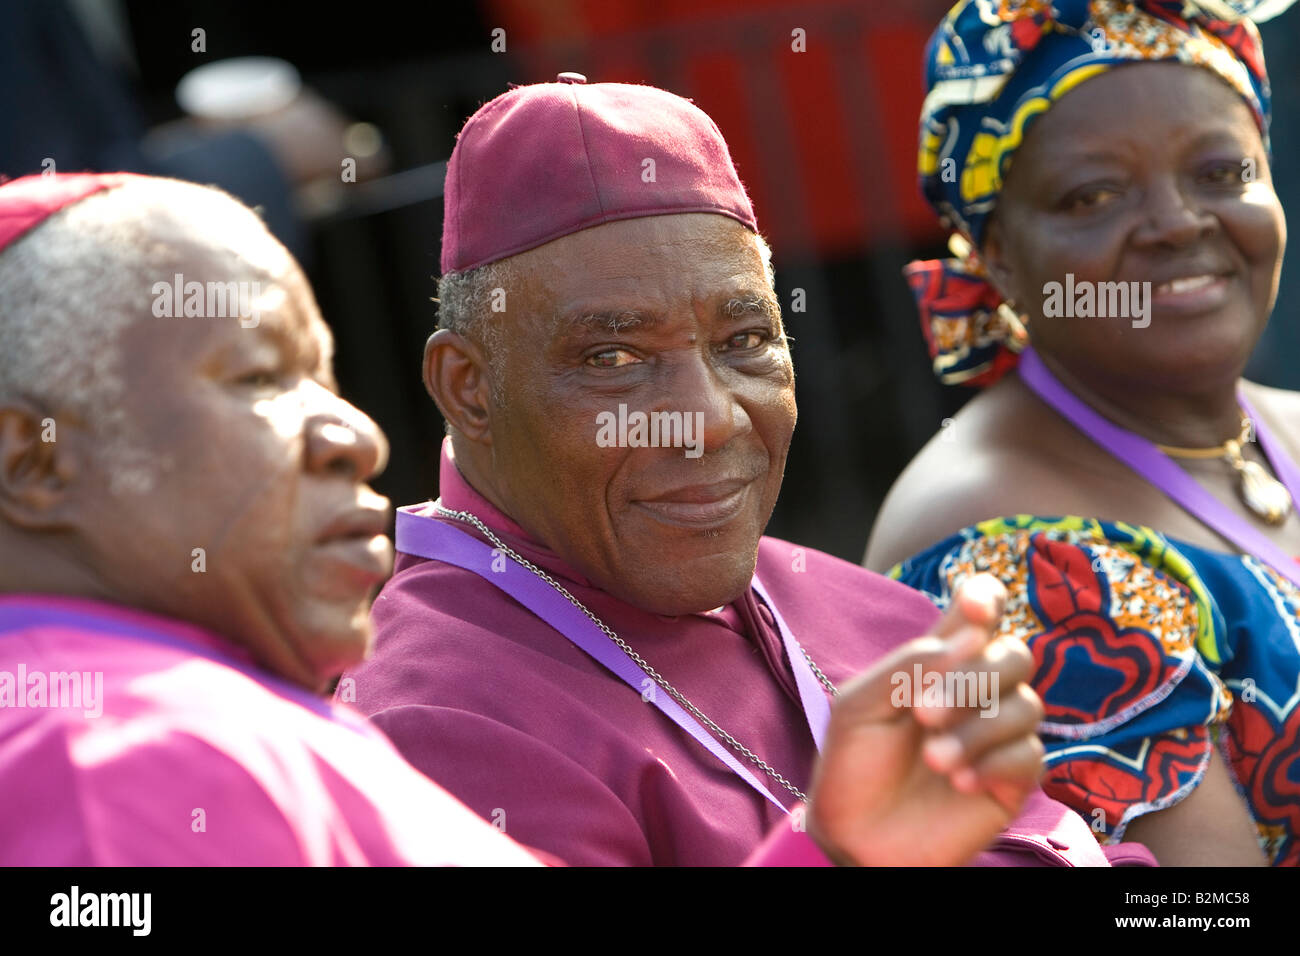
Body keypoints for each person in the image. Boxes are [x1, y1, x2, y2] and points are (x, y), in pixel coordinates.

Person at [0, 171, 1064, 868]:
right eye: (260, 377)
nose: (351, 434)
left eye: (743, 339)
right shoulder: (107, 753)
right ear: (30, 461)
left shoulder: (170, 716)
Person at [339, 75, 1153, 867]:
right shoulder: (437, 727)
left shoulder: (879, 618)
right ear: (470, 390)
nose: (712, 418)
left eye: (744, 342)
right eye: (613, 356)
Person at [866, 0, 1300, 867]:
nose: (1179, 222)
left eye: (1222, 171)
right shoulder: (1010, 556)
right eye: (1092, 194)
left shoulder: (1278, 420)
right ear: (995, 255)